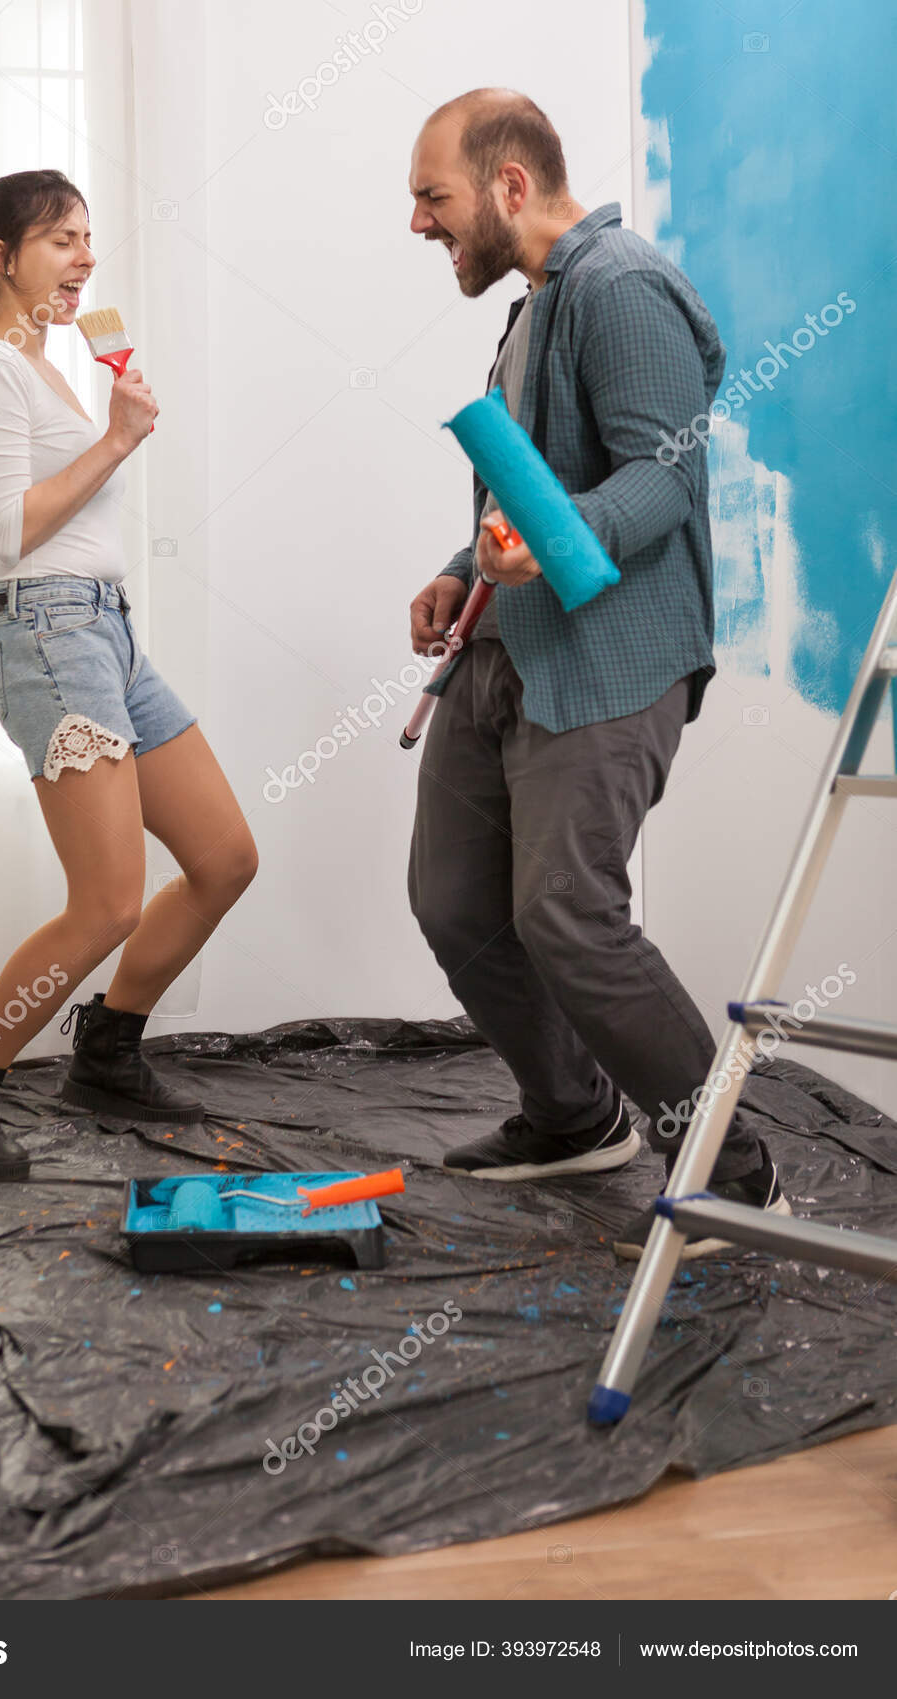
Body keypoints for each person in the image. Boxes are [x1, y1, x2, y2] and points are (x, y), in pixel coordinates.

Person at [404, 91, 790, 1259]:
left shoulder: (619, 286)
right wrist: (459, 568)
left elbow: (662, 479)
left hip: (606, 664)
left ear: (509, 184)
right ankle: (574, 1118)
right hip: (502, 652)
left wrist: (556, 532)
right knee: (455, 902)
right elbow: (525, 491)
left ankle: (732, 1172)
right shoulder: (535, 303)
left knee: (568, 914)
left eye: (432, 197)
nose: (418, 224)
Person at [0, 169, 257, 1181]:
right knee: (108, 900)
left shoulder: (48, 363)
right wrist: (116, 440)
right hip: (45, 631)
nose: (85, 258)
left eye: (87, 239)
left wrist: (111, 424)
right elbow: (10, 528)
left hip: (106, 629)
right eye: (61, 240)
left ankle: (107, 1054)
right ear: (1, 256)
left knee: (223, 857)